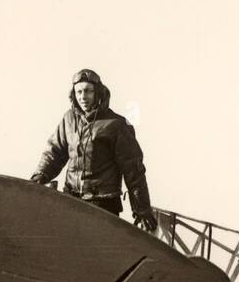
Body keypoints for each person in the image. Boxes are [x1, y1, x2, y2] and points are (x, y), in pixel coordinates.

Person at [31, 68, 158, 232]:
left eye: (88, 91)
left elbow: (133, 170)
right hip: (71, 200)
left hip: (103, 206)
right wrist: (40, 176)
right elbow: (54, 153)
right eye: (79, 92)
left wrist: (142, 210)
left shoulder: (116, 125)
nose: (83, 97)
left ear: (98, 92)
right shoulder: (68, 119)